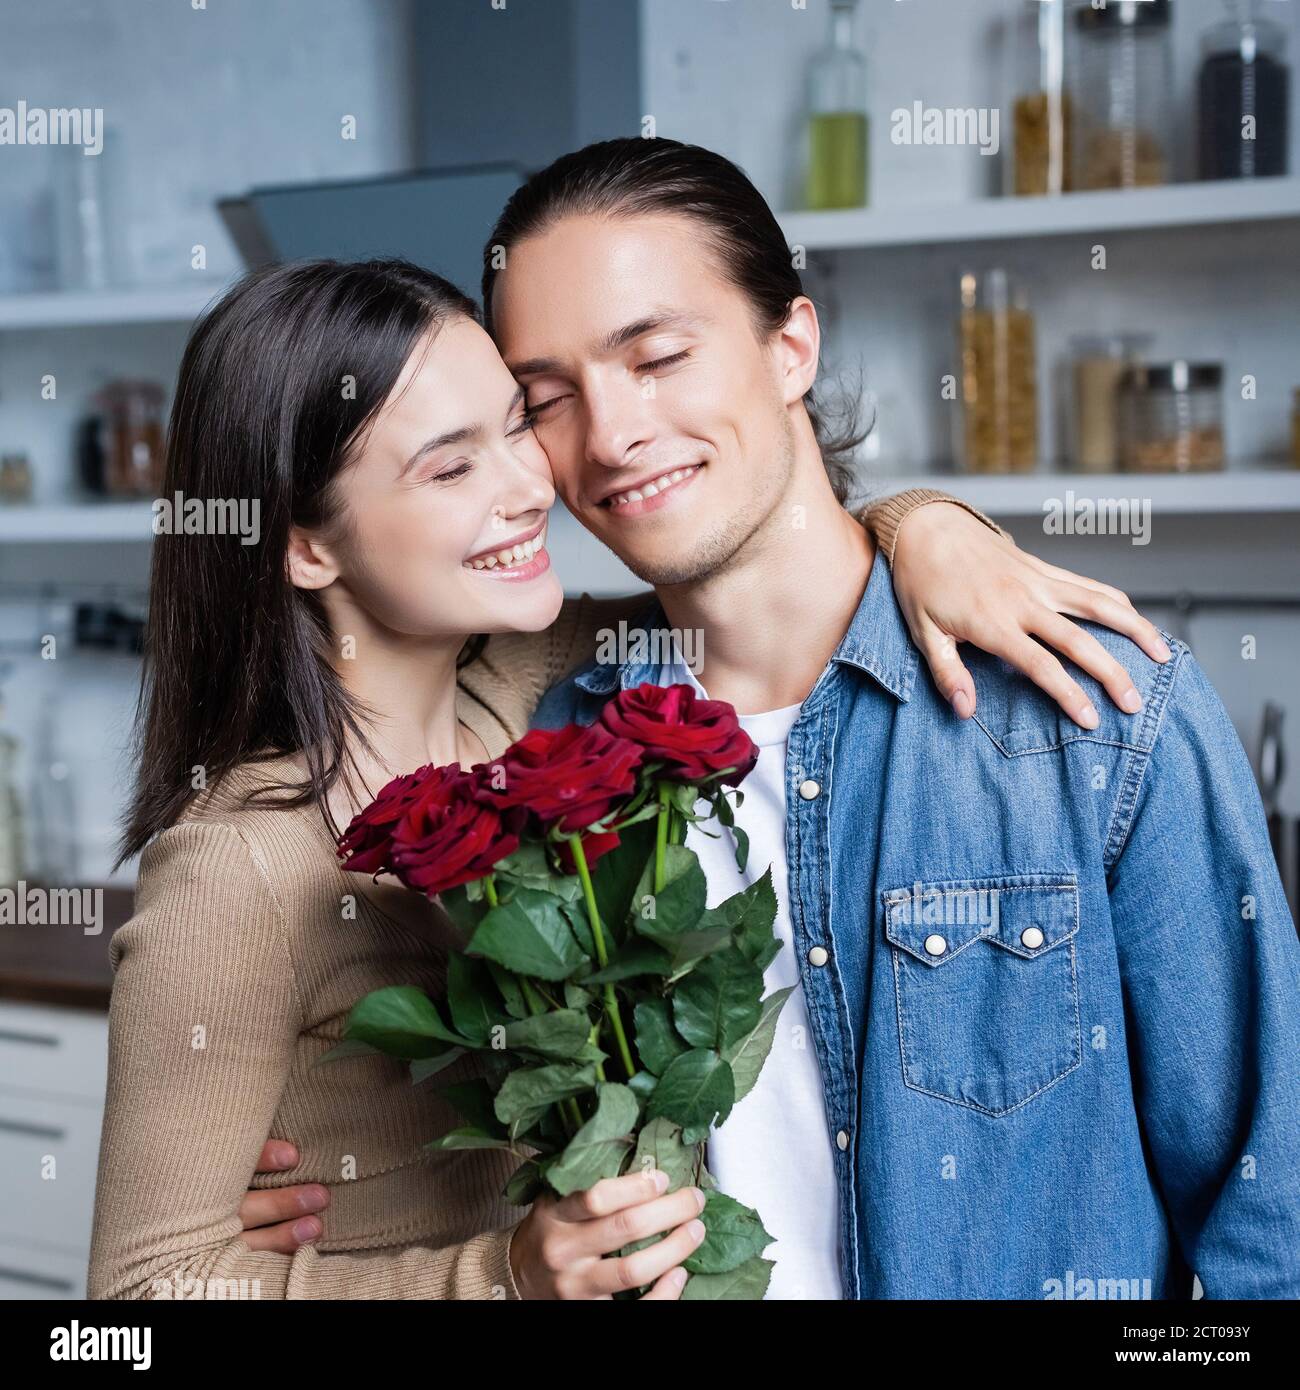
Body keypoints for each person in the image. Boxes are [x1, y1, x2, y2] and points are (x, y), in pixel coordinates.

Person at [87, 251, 1165, 1301]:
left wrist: (927, 525)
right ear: (307, 547)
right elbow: (141, 1293)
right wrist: (499, 1277)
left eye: (517, 425)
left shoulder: (539, 688)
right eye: (450, 465)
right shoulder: (238, 866)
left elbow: (773, 571)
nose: (529, 486)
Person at [485, 138, 1300, 1299]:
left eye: (658, 355)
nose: (609, 434)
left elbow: (1271, 1212)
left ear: (790, 346)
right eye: (546, 399)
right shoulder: (557, 759)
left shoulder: (1095, 710)